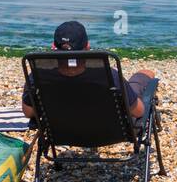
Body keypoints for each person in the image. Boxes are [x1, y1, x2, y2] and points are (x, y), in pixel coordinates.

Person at [20, 21, 156, 123]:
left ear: (53, 46)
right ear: (87, 47)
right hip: (108, 131)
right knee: (144, 76)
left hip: (61, 132)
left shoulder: (39, 75)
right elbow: (138, 112)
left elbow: (28, 112)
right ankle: (146, 75)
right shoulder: (107, 75)